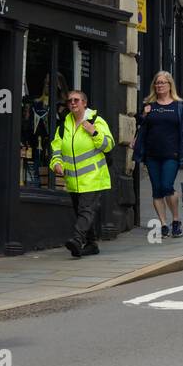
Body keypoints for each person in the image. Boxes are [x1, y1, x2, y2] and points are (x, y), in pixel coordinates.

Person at [50, 90, 115, 258]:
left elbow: (109, 145)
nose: (72, 103)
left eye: (76, 100)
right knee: (82, 212)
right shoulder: (64, 126)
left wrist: (94, 132)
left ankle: (77, 239)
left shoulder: (96, 121)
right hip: (72, 180)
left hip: (94, 177)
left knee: (86, 210)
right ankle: (91, 244)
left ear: (84, 103)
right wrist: (56, 163)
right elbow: (56, 148)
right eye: (70, 100)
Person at [132, 71, 183, 241]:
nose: (159, 85)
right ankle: (163, 224)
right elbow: (139, 124)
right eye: (157, 83)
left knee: (167, 186)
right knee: (157, 190)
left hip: (172, 154)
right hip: (152, 154)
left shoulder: (179, 106)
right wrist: (143, 115)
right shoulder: (149, 105)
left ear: (170, 85)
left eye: (162, 83)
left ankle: (176, 221)